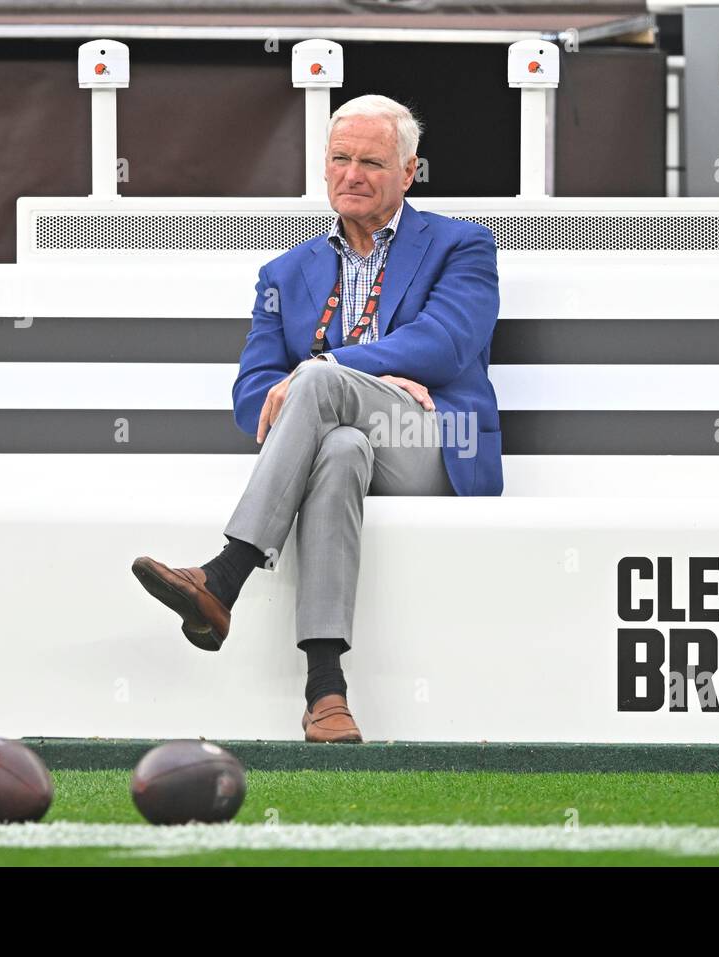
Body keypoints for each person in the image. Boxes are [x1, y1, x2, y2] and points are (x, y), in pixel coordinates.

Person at [132, 94, 501, 743]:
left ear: (410, 171)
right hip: (347, 445)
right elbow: (252, 392)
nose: (352, 174)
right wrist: (335, 385)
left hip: (429, 441)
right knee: (338, 449)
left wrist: (324, 372)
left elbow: (445, 343)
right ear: (323, 166)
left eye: (371, 162)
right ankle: (326, 693)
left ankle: (225, 575)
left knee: (324, 380)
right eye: (339, 159)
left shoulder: (462, 245)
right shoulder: (283, 272)